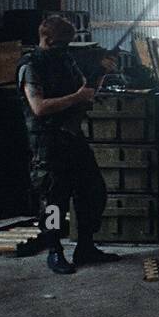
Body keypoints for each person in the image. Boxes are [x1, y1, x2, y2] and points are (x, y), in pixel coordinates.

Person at [18, 16, 121, 275]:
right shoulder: (30, 66)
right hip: (47, 142)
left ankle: (86, 247)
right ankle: (55, 252)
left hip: (73, 138)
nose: (65, 47)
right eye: (61, 43)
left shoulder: (65, 60)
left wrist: (101, 74)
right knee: (54, 202)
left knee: (92, 192)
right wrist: (76, 97)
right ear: (47, 39)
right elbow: (39, 107)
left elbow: (85, 94)